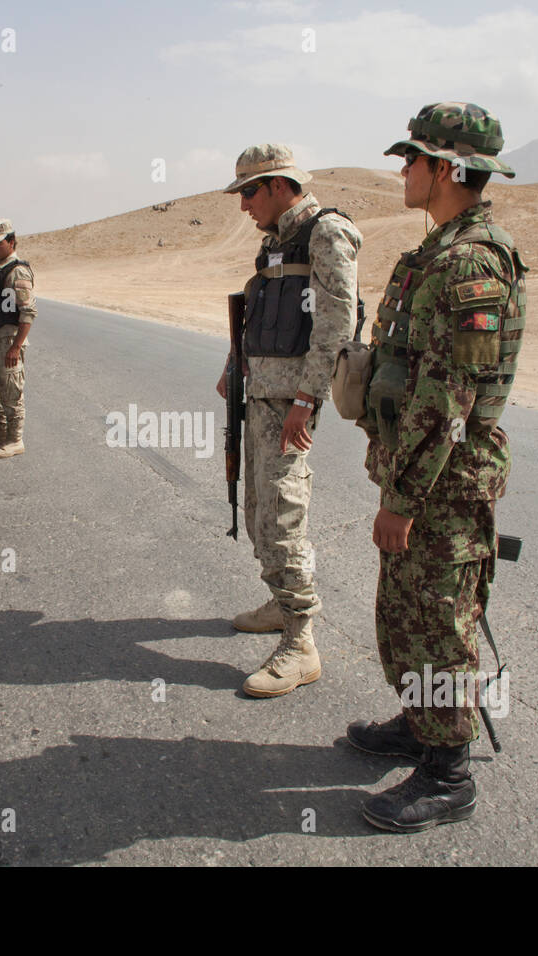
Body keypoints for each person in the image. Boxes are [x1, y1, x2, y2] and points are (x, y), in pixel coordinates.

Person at [348, 102, 527, 832]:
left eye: (412, 159)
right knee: (410, 611)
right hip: (425, 471)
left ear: (448, 169)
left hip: (444, 477)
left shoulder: (469, 262)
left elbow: (447, 398)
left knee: (441, 621)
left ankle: (447, 775)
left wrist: (404, 496)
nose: (402, 170)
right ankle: (422, 724)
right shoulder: (438, 249)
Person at [216, 144, 362, 698]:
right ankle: (280, 606)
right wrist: (235, 364)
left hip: (292, 403)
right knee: (257, 512)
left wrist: (307, 399)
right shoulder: (275, 241)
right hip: (263, 397)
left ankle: (301, 642)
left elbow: (337, 320)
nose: (244, 204)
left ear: (280, 185)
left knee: (281, 518)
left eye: (250, 192)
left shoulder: (325, 233)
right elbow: (256, 313)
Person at [0, 219, 36, 459]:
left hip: (9, 340)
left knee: (11, 392)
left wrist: (16, 346)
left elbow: (27, 312)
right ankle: (1, 433)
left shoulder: (17, 271)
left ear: (11, 241)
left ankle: (15, 439)